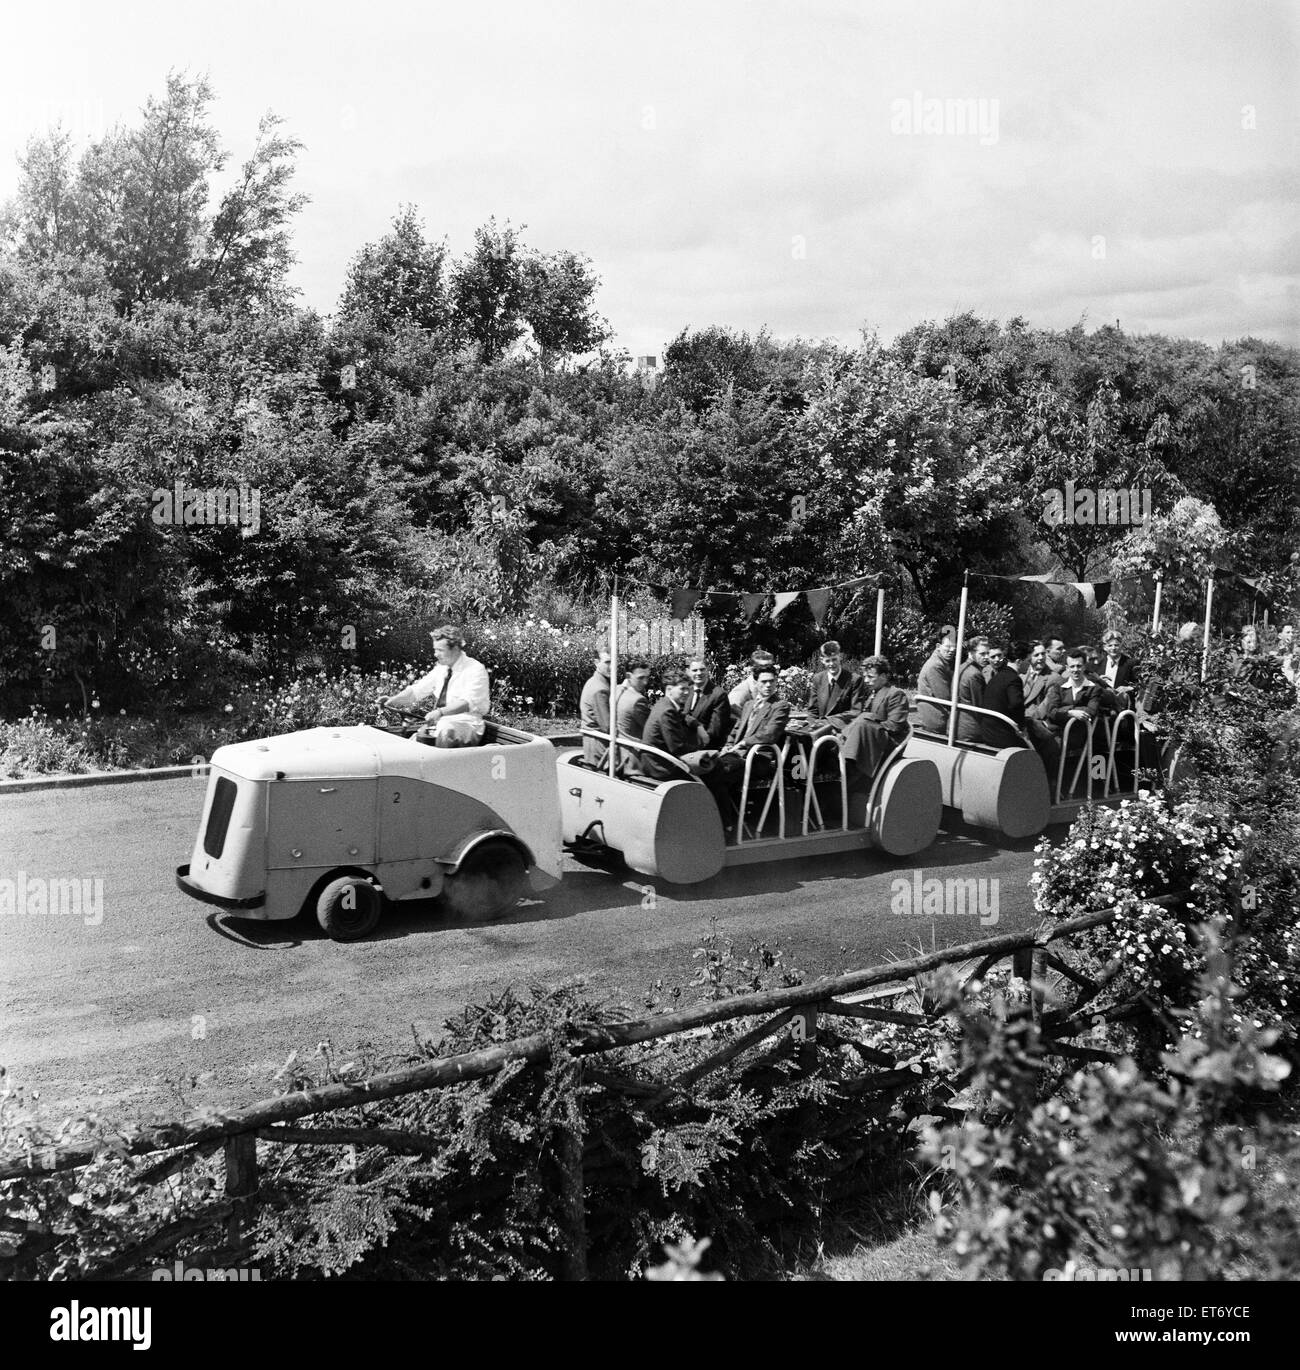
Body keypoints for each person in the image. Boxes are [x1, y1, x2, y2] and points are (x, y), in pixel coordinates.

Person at [380, 624, 490, 747]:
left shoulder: (475, 669)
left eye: (440, 650)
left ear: (455, 649)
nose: (435, 654)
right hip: (439, 724)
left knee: (445, 730)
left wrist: (440, 712)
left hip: (467, 724)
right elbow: (416, 691)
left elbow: (467, 703)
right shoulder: (442, 668)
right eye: (435, 650)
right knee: (412, 743)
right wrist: (393, 700)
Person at [839, 655, 909, 784]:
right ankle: (839, 758)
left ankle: (847, 767)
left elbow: (895, 726)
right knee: (847, 724)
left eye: (870, 677)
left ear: (883, 676)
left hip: (887, 744)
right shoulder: (873, 694)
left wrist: (870, 720)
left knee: (863, 723)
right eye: (865, 676)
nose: (865, 680)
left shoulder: (896, 694)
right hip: (869, 738)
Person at [641, 668, 706, 780]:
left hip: (658, 761)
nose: (686, 692)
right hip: (661, 767)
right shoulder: (667, 711)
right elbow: (677, 748)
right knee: (713, 772)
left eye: (688, 689)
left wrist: (698, 726)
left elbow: (682, 715)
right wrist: (701, 750)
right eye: (682, 689)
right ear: (669, 689)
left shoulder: (664, 703)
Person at [803, 640, 865, 737]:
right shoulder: (818, 679)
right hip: (819, 732)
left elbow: (855, 712)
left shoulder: (854, 680)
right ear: (822, 660)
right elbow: (813, 711)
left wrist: (827, 722)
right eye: (827, 660)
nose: (831, 664)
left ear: (840, 657)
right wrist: (811, 727)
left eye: (834, 659)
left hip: (841, 734)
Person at [1022, 642, 1063, 773]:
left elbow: (1045, 706)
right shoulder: (1022, 672)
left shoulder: (1053, 678)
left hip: (1039, 723)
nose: (1040, 658)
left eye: (1043, 654)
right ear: (1029, 657)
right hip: (1021, 720)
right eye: (1036, 655)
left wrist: (1025, 720)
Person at [981, 641, 1027, 748]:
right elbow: (1016, 704)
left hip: (988, 733)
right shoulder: (1014, 679)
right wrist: (1022, 727)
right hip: (1002, 736)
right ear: (1019, 661)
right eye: (1028, 661)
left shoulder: (997, 677)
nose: (1030, 665)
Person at [914, 625, 957, 733]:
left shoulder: (942, 663)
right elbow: (945, 698)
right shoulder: (936, 666)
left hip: (937, 717)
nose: (951, 650)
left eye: (954, 646)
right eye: (947, 646)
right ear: (938, 646)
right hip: (936, 723)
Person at [684, 658, 732, 748]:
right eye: (694, 670)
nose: (699, 673)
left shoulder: (718, 695)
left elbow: (715, 731)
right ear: (688, 672)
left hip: (706, 747)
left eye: (702, 669)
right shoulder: (686, 691)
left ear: (708, 669)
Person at [579, 647, 612, 765]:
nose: (612, 667)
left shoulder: (596, 681)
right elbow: (608, 727)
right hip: (600, 750)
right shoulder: (600, 689)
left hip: (595, 744)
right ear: (596, 662)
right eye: (607, 662)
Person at [954, 635, 989, 743]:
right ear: (971, 653)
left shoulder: (960, 668)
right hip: (970, 730)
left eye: (988, 653)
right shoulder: (974, 674)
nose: (986, 657)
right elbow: (979, 705)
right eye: (982, 654)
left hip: (957, 726)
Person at [1097, 630, 1139, 708]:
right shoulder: (1098, 663)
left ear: (1121, 646)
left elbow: (1139, 685)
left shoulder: (1131, 663)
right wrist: (1098, 680)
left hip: (1123, 707)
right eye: (1110, 645)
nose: (1113, 648)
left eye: (1116, 645)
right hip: (1101, 707)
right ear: (1105, 647)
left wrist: (1128, 688)